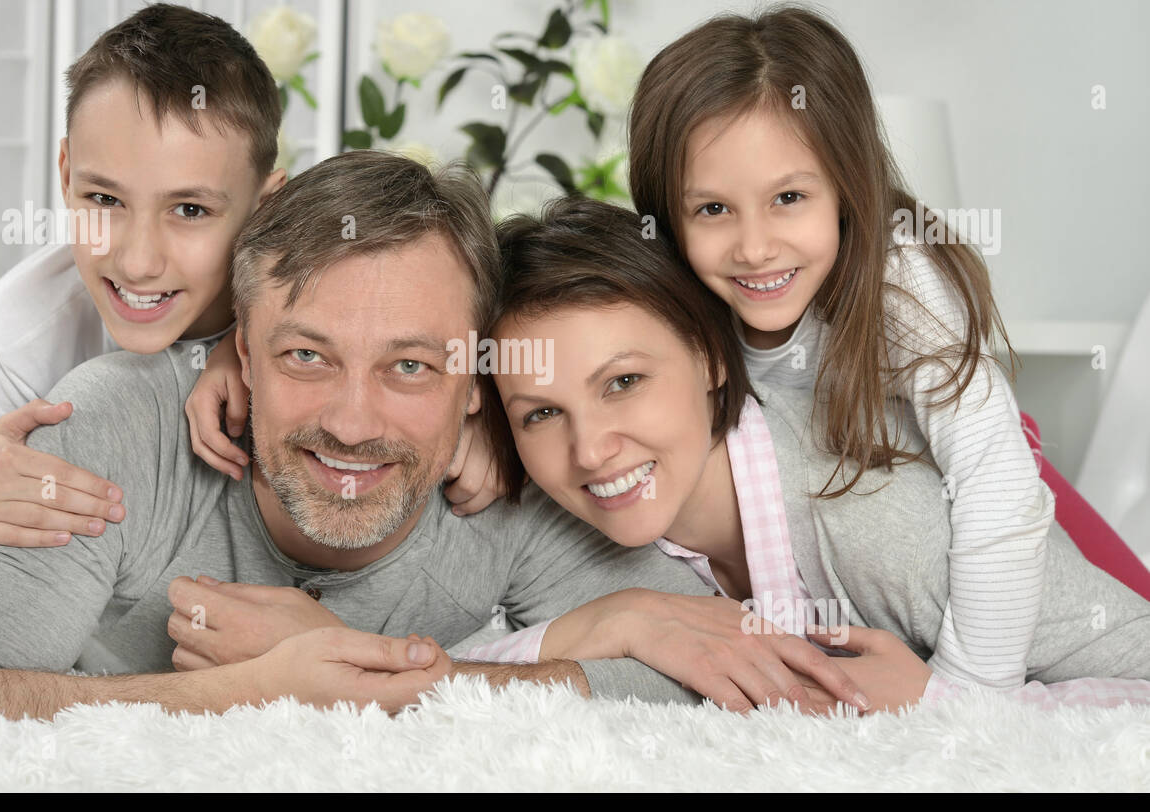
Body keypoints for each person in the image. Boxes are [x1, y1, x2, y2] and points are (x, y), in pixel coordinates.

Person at [0, 152, 869, 719]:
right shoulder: (111, 431)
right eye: (306, 356)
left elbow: (681, 665)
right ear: (239, 355)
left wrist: (375, 673)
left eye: (410, 366)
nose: (354, 422)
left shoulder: (528, 470)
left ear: (477, 380)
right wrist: (255, 690)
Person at [477, 197, 1150, 712]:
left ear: (711, 355)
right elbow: (431, 664)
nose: (591, 450)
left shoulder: (889, 529)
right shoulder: (556, 515)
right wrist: (609, 623)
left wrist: (946, 703)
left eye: (624, 382)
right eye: (540, 412)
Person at [0, 3, 498, 568]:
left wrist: (480, 423)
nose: (138, 261)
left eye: (190, 209)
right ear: (65, 174)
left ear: (265, 204)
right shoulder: (16, 332)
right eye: (104, 200)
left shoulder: (328, 295)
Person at [627, 4, 1064, 699]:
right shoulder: (673, 295)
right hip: (896, 500)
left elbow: (997, 481)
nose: (755, 246)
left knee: (1109, 623)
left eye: (789, 197)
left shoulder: (899, 279)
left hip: (1008, 475)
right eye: (712, 209)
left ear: (845, 191)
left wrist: (967, 695)